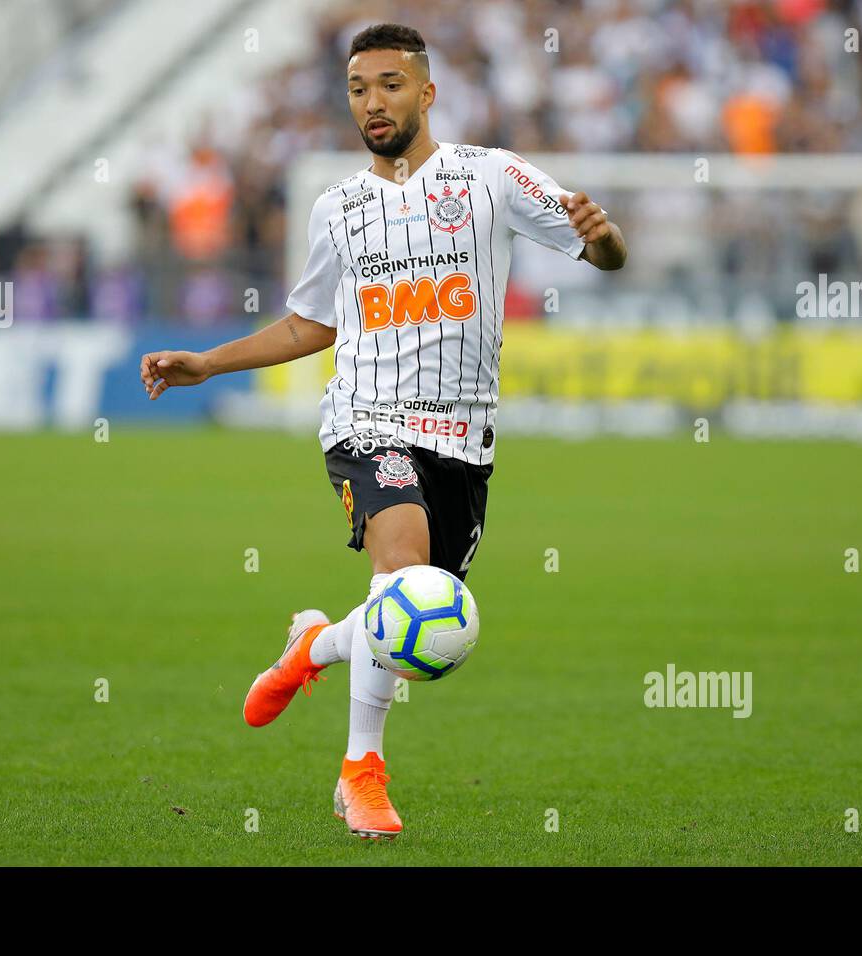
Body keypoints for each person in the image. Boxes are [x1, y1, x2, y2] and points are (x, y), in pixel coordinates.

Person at [139, 22, 625, 840]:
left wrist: (604, 239)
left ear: (426, 93)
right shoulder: (339, 208)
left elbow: (602, 253)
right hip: (367, 421)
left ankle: (313, 648)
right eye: (360, 88)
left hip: (465, 441)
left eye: (391, 85)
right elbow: (309, 325)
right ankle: (360, 776)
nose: (374, 102)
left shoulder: (491, 178)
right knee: (401, 582)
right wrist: (209, 363)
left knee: (417, 623)